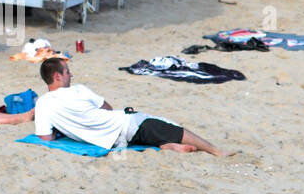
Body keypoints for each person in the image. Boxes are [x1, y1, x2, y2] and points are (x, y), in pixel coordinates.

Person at [35, 57, 228, 155]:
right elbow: (108, 108)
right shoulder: (78, 90)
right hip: (126, 125)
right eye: (67, 72)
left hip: (114, 142)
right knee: (174, 128)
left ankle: (167, 146)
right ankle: (216, 151)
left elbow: (47, 137)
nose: (71, 75)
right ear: (57, 76)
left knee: (153, 134)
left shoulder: (42, 104)